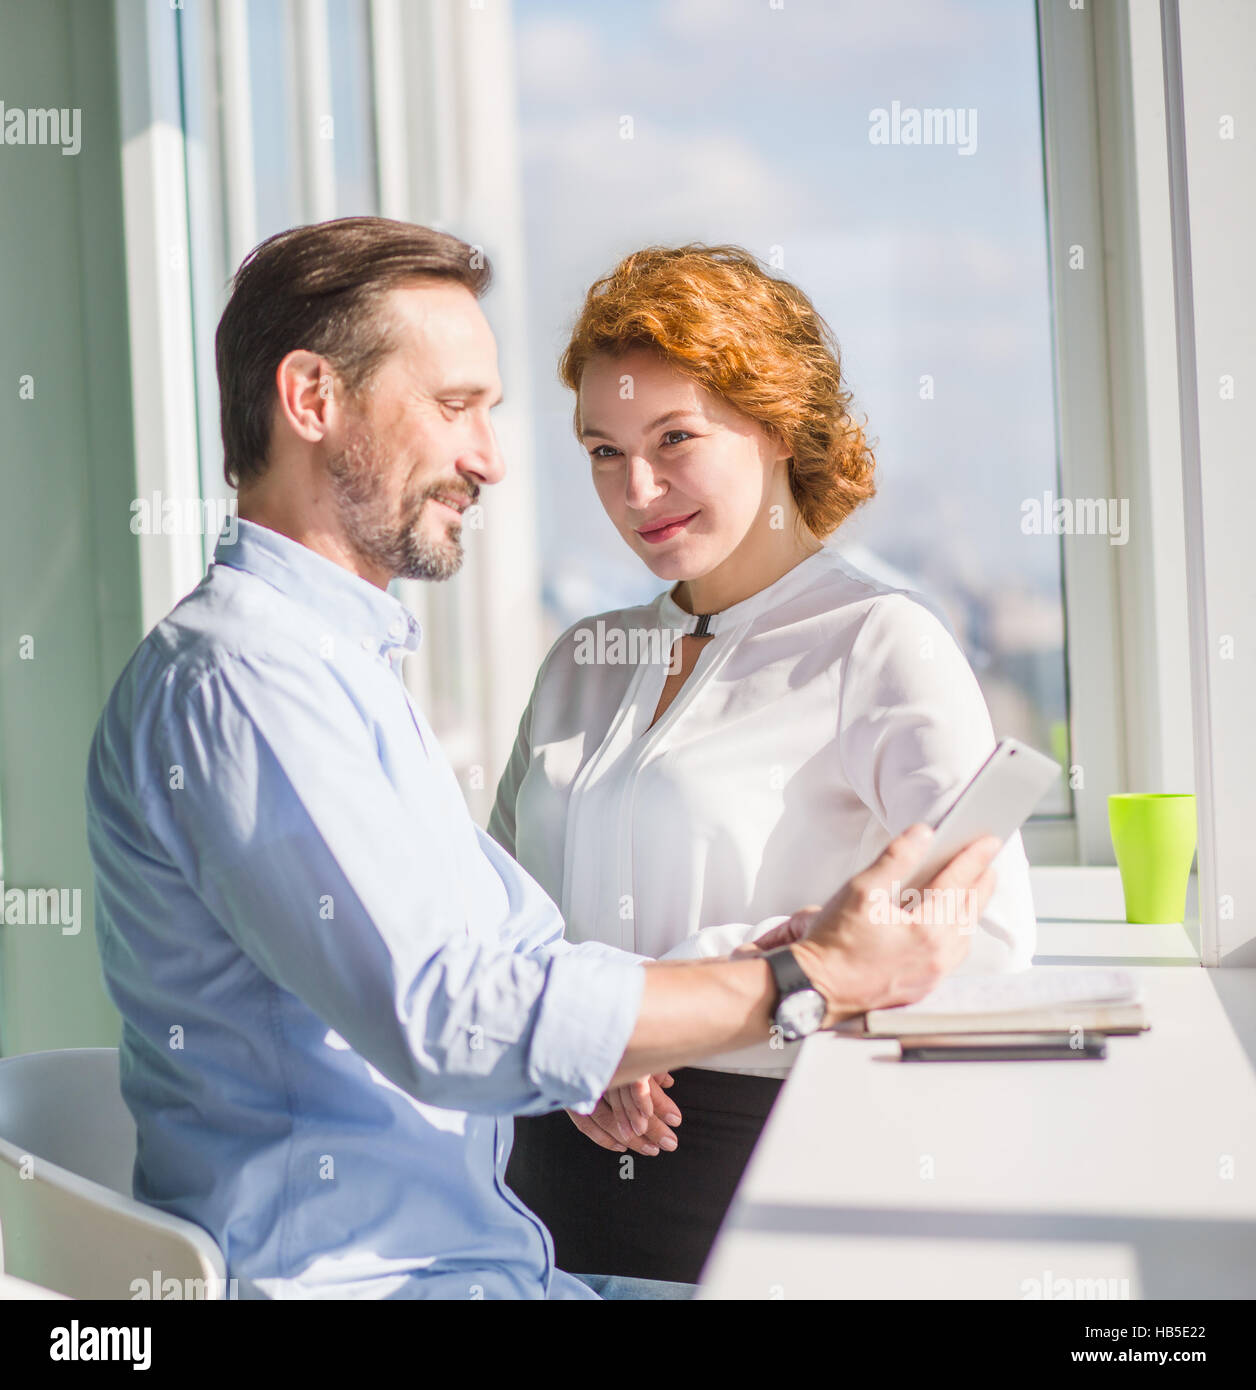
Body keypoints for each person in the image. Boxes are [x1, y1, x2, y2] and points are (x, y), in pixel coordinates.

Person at [85, 217, 1002, 1301]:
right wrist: (798, 975)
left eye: (673, 440)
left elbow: (505, 965)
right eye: (454, 406)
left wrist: (618, 1033)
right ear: (313, 401)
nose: (490, 457)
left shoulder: (339, 673)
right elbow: (452, 1012)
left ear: (772, 430)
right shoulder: (250, 681)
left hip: (514, 1251)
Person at [492, 244, 1037, 1284]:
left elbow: (987, 935)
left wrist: (658, 1004)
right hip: (535, 1213)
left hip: (749, 1209)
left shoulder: (880, 640)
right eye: (601, 450)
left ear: (777, 425)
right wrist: (578, 1035)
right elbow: (493, 911)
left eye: (674, 438)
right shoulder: (579, 659)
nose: (634, 486)